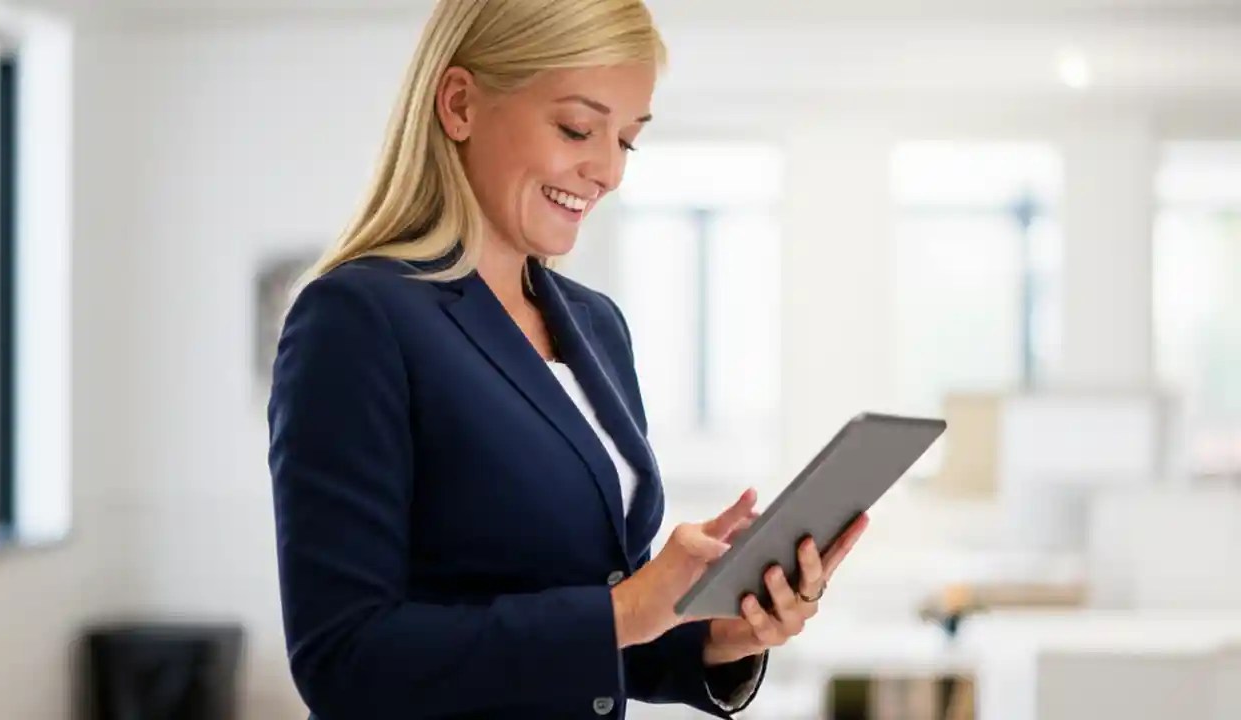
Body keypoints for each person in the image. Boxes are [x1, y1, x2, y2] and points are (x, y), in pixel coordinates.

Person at [266, 1, 869, 718]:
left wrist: (715, 634)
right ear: (459, 105)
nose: (608, 171)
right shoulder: (358, 318)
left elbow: (602, 629)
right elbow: (344, 659)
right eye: (577, 129)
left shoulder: (596, 327)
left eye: (628, 141)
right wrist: (627, 610)